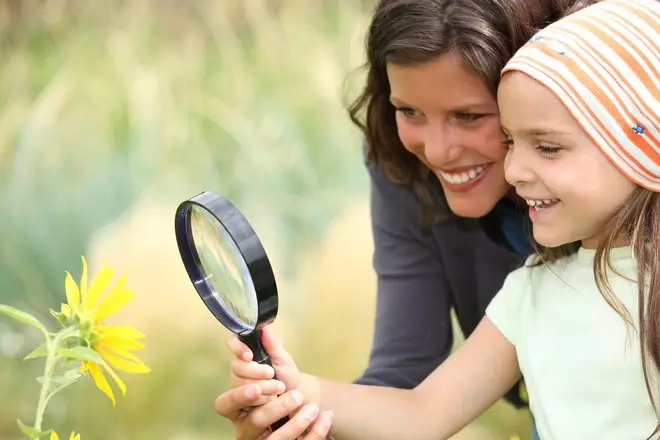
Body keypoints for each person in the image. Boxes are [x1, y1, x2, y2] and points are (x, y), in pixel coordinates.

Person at [226, 0, 660, 438]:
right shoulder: (532, 289)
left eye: (470, 116)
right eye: (511, 140)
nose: (436, 152)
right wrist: (297, 393)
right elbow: (420, 410)